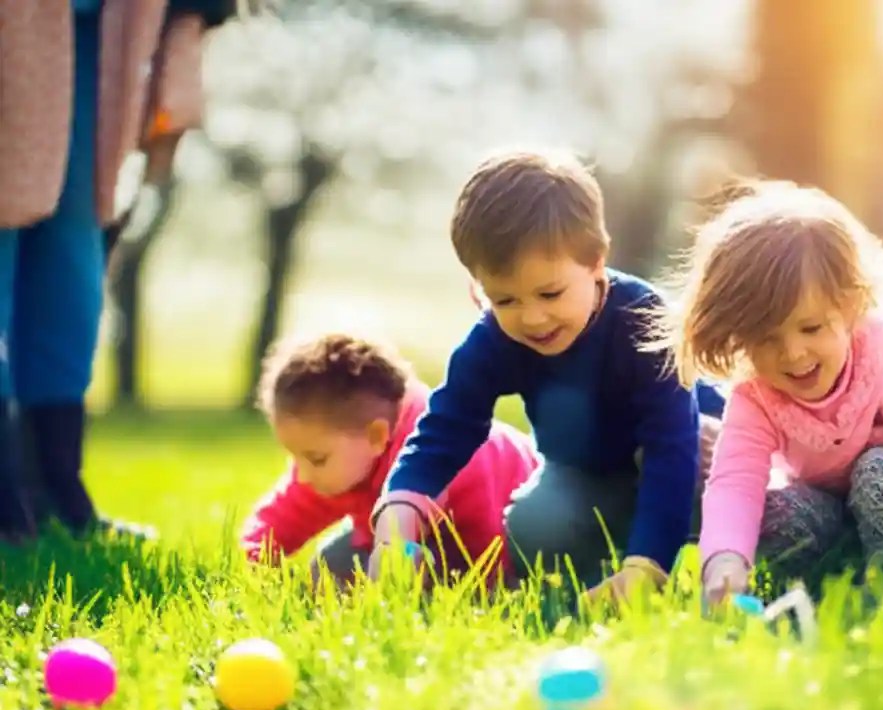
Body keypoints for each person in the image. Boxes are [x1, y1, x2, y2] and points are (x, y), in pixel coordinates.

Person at [369, 148, 719, 602]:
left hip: (690, 459)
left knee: (718, 470)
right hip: (586, 473)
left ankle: (719, 569)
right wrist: (399, 510)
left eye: (549, 293)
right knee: (535, 524)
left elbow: (671, 451)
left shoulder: (646, 322)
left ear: (595, 263)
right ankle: (591, 587)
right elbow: (445, 428)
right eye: (505, 300)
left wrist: (646, 565)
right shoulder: (492, 340)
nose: (532, 318)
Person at [653, 180, 883, 605]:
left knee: (882, 473)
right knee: (777, 515)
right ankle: (823, 582)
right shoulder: (756, 396)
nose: (793, 353)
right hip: (828, 512)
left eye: (811, 328)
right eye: (766, 338)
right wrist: (724, 559)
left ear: (851, 305)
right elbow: (735, 480)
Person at [0, 1, 237, 543]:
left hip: (112, 28)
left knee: (72, 248)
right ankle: (7, 491)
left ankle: (53, 486)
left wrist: (191, 22)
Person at [241, 332, 540, 589]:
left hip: (505, 538)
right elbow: (287, 513)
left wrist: (490, 591)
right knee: (330, 568)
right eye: (296, 458)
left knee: (458, 573)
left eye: (316, 459)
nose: (303, 476)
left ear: (376, 436)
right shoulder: (347, 460)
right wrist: (253, 562)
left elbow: (490, 538)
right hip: (411, 545)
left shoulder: (454, 451)